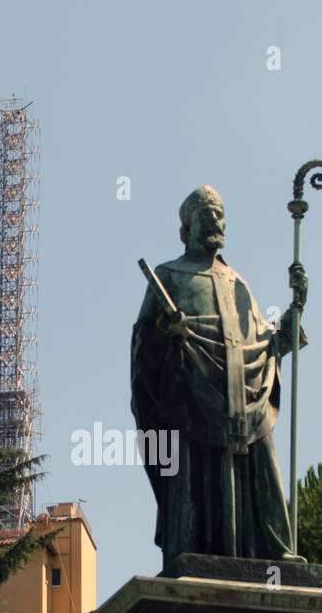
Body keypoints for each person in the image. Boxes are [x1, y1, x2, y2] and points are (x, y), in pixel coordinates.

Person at [131, 184, 307, 566]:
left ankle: (276, 551)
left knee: (264, 465)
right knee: (190, 475)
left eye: (219, 214)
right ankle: (189, 553)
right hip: (191, 394)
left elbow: (267, 344)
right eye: (205, 214)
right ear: (186, 230)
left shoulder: (239, 283)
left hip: (245, 396)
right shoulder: (169, 276)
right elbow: (143, 347)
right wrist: (165, 327)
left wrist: (296, 310)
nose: (215, 220)